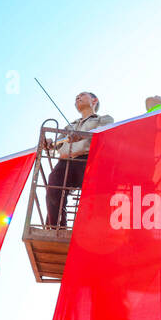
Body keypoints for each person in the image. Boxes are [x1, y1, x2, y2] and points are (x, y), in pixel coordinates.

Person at [46, 91, 113, 228]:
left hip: (88, 160)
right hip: (66, 162)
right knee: (53, 187)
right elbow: (56, 145)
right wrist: (49, 143)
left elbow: (106, 133)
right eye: (76, 97)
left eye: (82, 95)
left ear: (94, 100)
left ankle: (91, 227)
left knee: (92, 195)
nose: (78, 97)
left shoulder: (103, 119)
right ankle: (57, 227)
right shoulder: (69, 127)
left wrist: (83, 136)